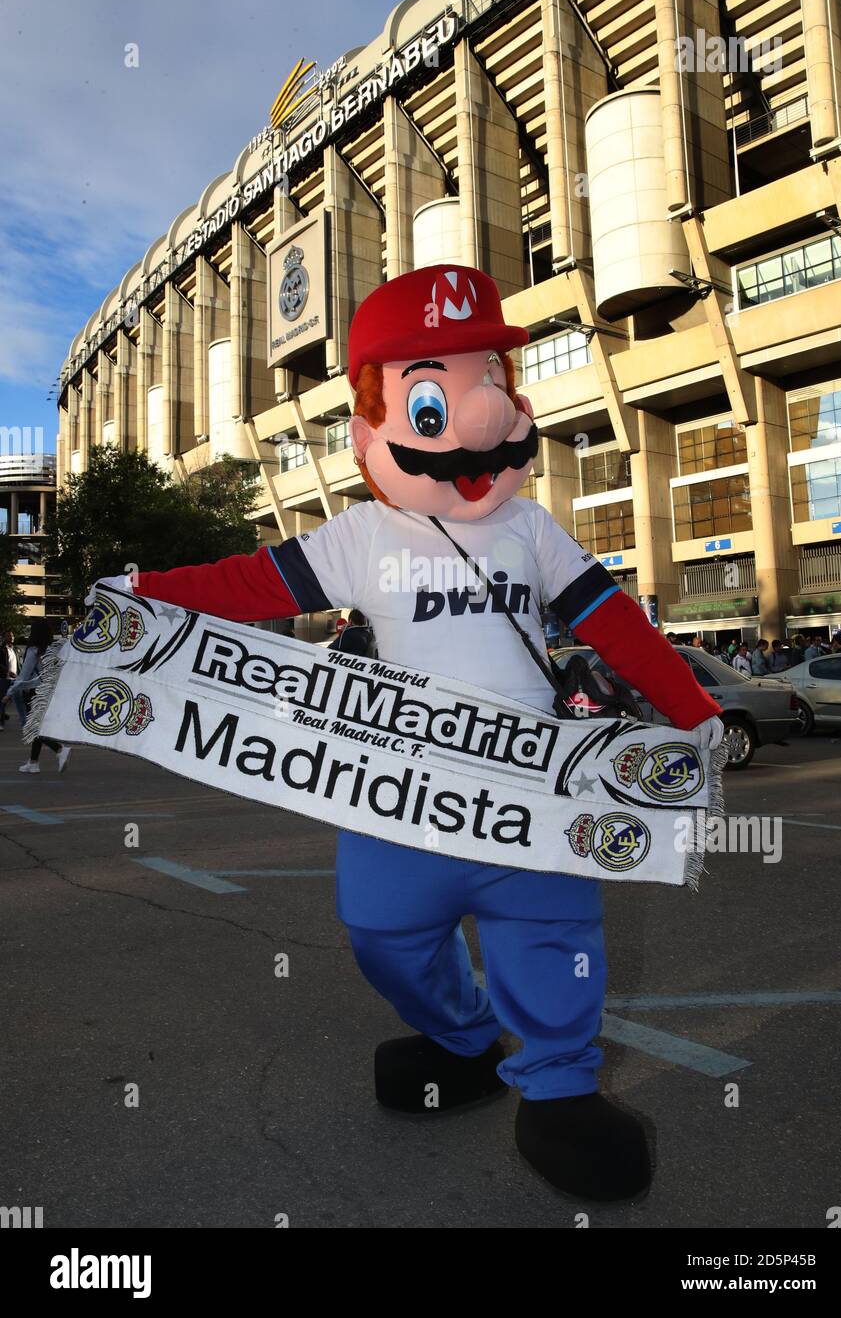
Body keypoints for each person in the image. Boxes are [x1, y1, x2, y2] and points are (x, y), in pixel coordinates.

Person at [101, 263, 724, 1203]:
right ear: (371, 428)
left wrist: (696, 709)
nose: (479, 423)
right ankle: (463, 1035)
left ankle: (557, 1087)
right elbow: (244, 588)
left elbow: (614, 624)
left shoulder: (530, 527)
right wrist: (143, 593)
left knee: (552, 934)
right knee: (382, 930)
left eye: (492, 384)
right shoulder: (363, 536)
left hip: (530, 783)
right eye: (432, 402)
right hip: (402, 787)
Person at [7, 619, 72, 774]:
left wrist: (9, 693)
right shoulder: (54, 648)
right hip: (55, 692)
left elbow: (23, 676)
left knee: (35, 727)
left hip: (39, 694)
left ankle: (59, 749)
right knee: (37, 727)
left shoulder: (34, 649)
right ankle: (33, 762)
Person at [0, 629, 18, 729]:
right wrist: (7, 672)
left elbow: (17, 664)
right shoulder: (2, 649)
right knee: (3, 701)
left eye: (12, 635)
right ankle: (1, 722)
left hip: (15, 679)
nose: (11, 637)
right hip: (5, 679)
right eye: (8, 636)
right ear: (4, 638)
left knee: (20, 700)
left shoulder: (14, 649)